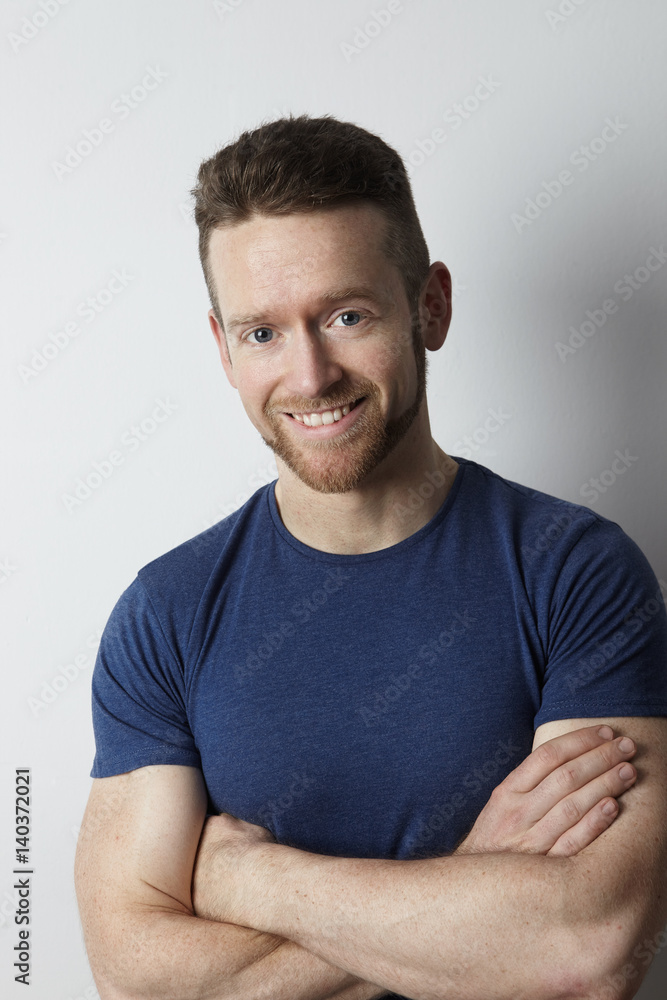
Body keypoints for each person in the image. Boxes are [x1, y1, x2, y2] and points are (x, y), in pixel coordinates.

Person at [74, 115, 667, 1000]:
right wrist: (474, 878)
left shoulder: (573, 572)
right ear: (222, 349)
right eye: (262, 333)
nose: (310, 376)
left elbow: (587, 947)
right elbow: (137, 980)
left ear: (429, 305)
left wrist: (253, 880)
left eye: (345, 315)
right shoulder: (166, 612)